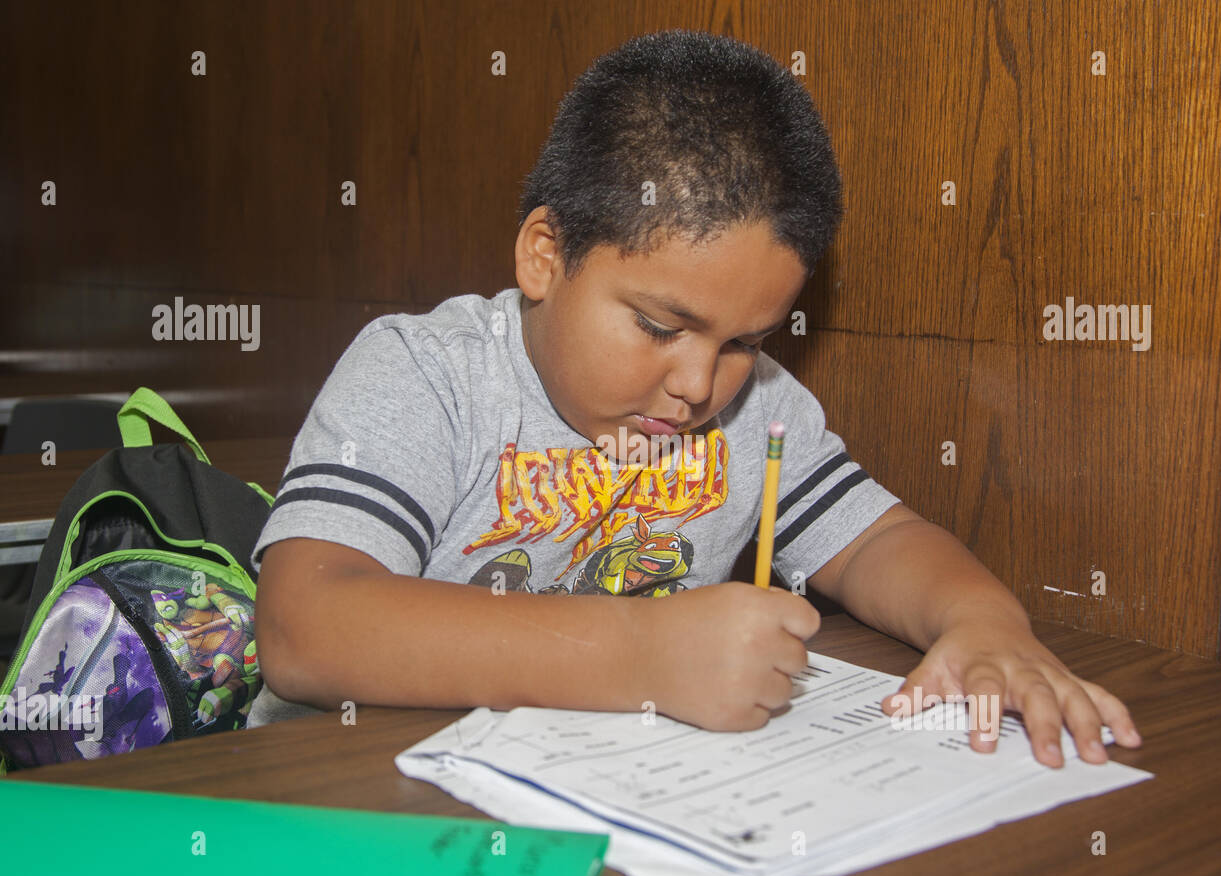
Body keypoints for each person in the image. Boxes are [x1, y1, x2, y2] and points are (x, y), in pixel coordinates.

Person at [249, 29, 1141, 768]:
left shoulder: (758, 414)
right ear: (544, 255)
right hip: (358, 797)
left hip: (621, 800)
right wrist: (643, 653)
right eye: (659, 324)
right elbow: (303, 626)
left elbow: (882, 540)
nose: (699, 384)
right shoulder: (427, 375)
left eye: (743, 342)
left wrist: (985, 622)